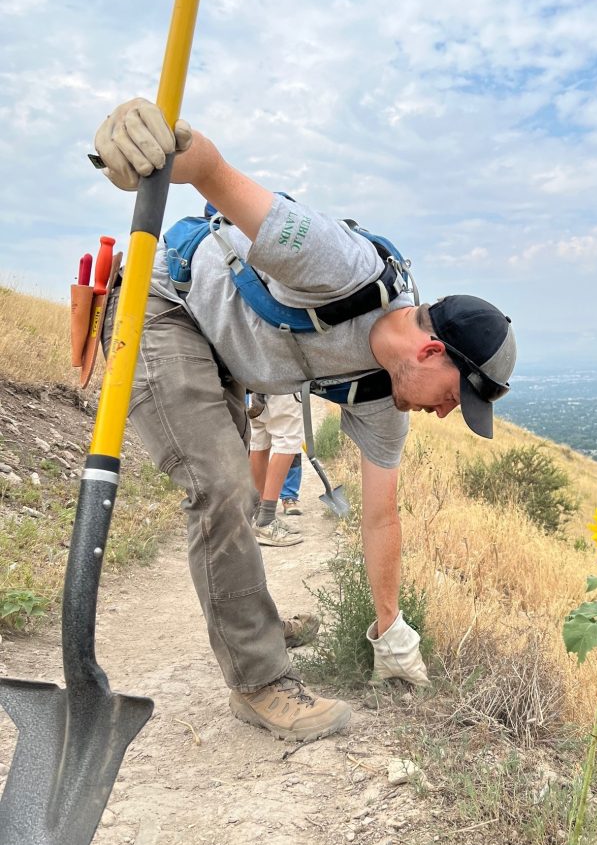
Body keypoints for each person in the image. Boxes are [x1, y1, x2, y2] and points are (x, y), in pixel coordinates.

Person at [94, 98, 517, 744]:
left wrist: (389, 629)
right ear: (432, 351)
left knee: (232, 487)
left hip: (223, 351)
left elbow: (381, 516)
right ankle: (260, 681)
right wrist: (152, 147)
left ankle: (250, 620)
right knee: (224, 488)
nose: (446, 412)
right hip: (161, 305)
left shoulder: (384, 397)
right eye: (456, 397)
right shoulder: (335, 262)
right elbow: (214, 174)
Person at [247, 392, 304, 547]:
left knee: (259, 437)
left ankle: (258, 516)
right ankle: (266, 519)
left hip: (251, 380)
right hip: (280, 380)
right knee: (288, 439)